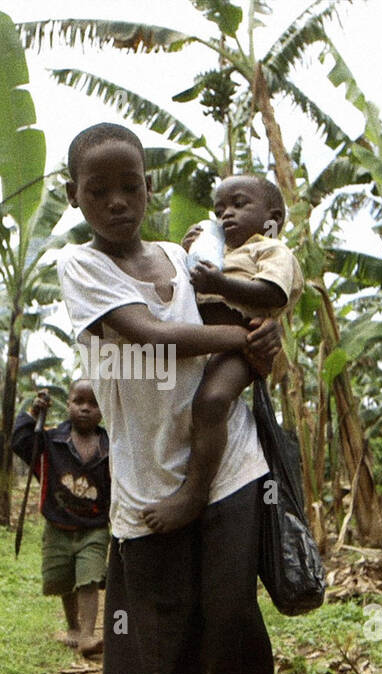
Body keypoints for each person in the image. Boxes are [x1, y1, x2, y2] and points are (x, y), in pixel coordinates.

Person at [56, 122, 282, 674]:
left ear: (148, 187)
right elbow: (154, 338)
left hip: (230, 465)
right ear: (72, 194)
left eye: (130, 186)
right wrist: (247, 336)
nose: (117, 202)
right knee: (159, 640)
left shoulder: (187, 259)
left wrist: (267, 333)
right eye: (98, 190)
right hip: (150, 480)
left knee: (224, 625)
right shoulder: (80, 265)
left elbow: (252, 316)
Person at [141, 175, 303, 533]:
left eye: (239, 204)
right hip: (205, 344)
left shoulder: (271, 250)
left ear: (272, 218)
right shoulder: (219, 252)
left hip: (243, 343)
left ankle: (195, 493)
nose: (226, 214)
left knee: (212, 402)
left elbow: (272, 294)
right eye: (219, 209)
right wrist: (186, 255)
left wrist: (219, 283)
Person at [11, 380, 109, 657]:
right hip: (58, 525)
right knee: (64, 578)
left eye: (94, 404)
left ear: (103, 411)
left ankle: (89, 635)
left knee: (89, 578)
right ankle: (74, 628)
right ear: (68, 405)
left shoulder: (110, 446)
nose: (86, 409)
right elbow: (20, 442)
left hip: (94, 527)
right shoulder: (51, 439)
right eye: (79, 402)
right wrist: (32, 413)